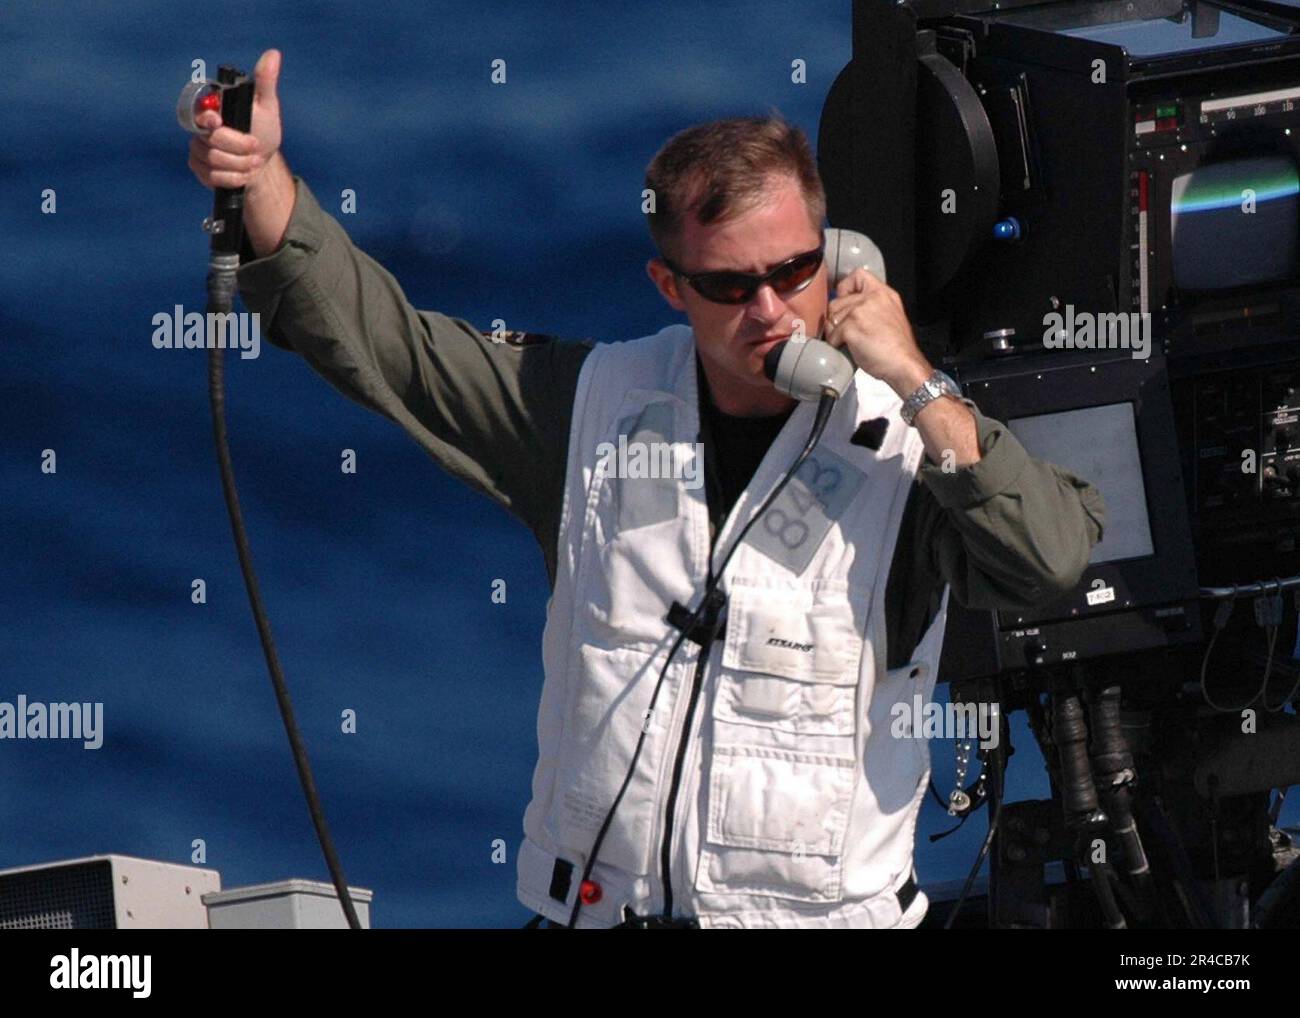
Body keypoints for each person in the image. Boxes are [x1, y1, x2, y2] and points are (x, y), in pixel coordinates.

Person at [188, 49, 1106, 929]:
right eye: (729, 285)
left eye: (793, 271)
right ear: (670, 284)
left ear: (835, 258)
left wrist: (916, 382)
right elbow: (392, 348)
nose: (771, 310)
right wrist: (263, 175)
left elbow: (1052, 561)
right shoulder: (589, 406)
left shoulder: (915, 446)